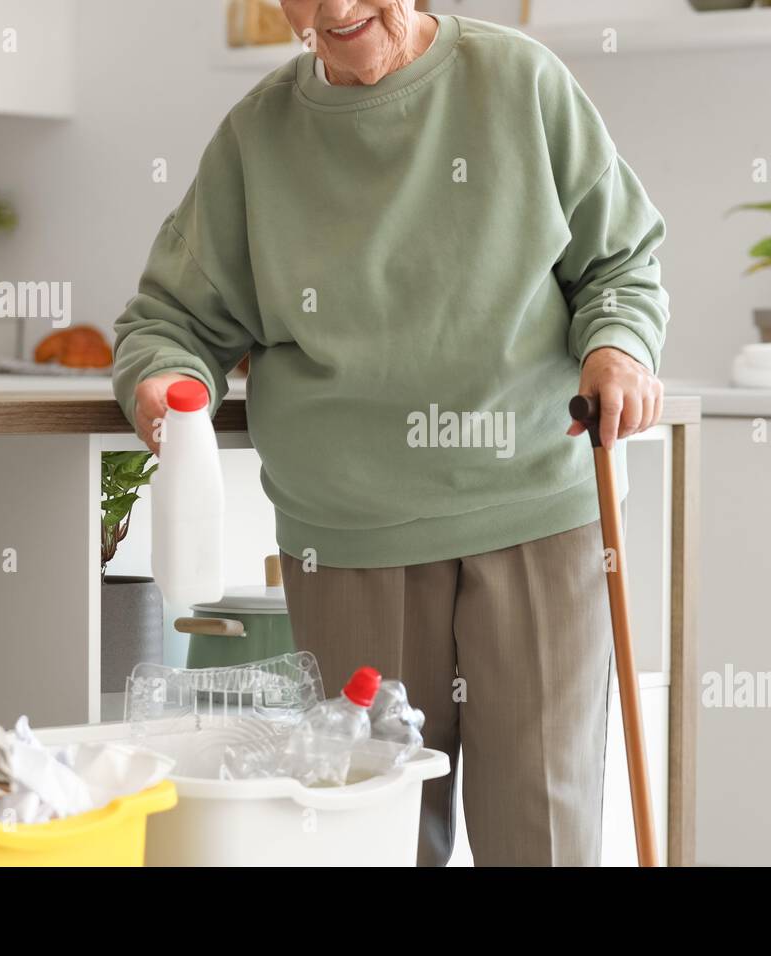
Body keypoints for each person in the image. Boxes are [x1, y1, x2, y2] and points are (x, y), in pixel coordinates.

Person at [113, 1, 668, 866]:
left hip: (537, 503)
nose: (334, 9)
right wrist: (170, 383)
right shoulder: (258, 137)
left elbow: (619, 263)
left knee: (542, 826)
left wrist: (619, 349)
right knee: (373, 834)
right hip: (349, 538)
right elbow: (173, 318)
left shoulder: (518, 81)